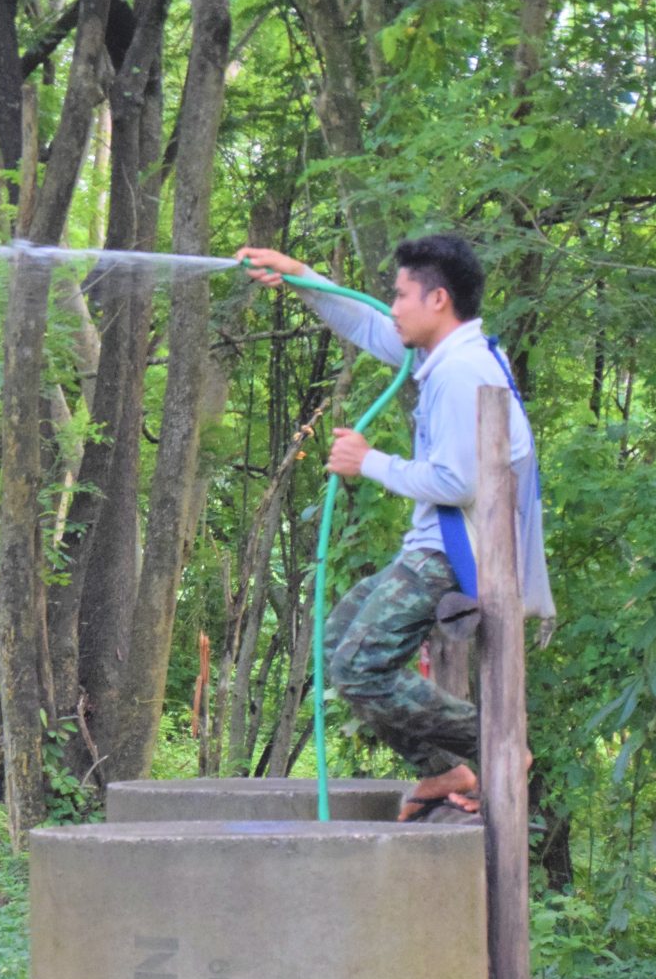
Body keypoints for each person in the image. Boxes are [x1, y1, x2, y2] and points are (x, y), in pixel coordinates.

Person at [235, 234, 554, 819]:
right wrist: (299, 275)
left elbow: (459, 482)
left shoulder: (462, 371)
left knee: (359, 668)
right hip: (437, 543)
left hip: (461, 549)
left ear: (438, 299)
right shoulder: (446, 354)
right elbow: (369, 326)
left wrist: (369, 462)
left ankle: (498, 744)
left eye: (401, 295)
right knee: (338, 643)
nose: (393, 306)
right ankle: (443, 769)